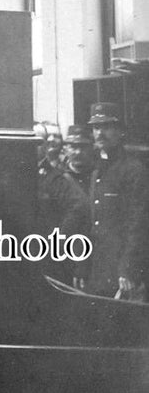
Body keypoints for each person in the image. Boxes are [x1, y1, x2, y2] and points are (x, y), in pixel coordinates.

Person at [86, 102, 149, 300]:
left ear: (120, 131)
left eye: (106, 127)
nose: (100, 133)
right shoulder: (97, 171)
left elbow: (138, 224)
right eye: (96, 128)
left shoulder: (134, 170)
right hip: (99, 269)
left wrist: (128, 269)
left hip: (123, 273)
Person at [34, 122, 89, 283]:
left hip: (51, 257)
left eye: (37, 143)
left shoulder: (56, 178)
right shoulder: (25, 173)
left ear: (44, 146)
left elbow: (79, 207)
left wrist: (59, 241)